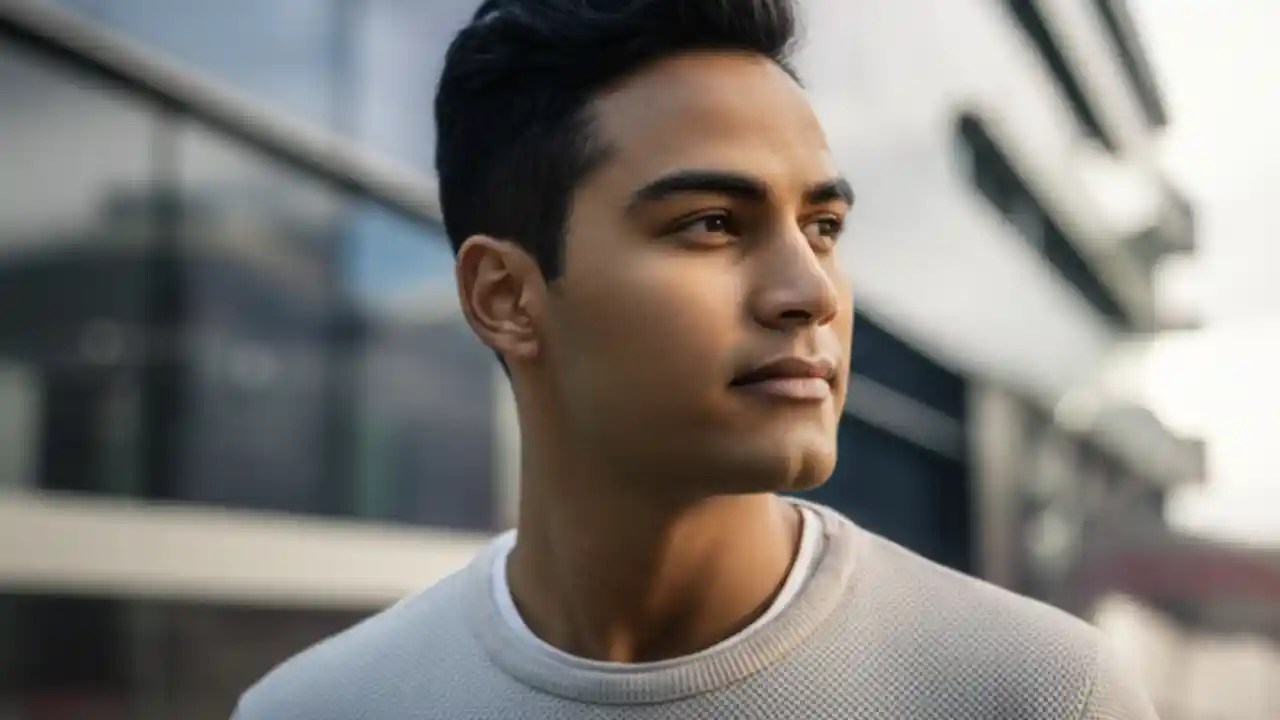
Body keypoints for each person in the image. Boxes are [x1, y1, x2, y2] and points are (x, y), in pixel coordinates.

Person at [234, 0, 1158, 717]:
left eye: (823, 226)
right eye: (712, 223)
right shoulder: (317, 710)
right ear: (505, 297)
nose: (812, 291)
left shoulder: (1039, 695)